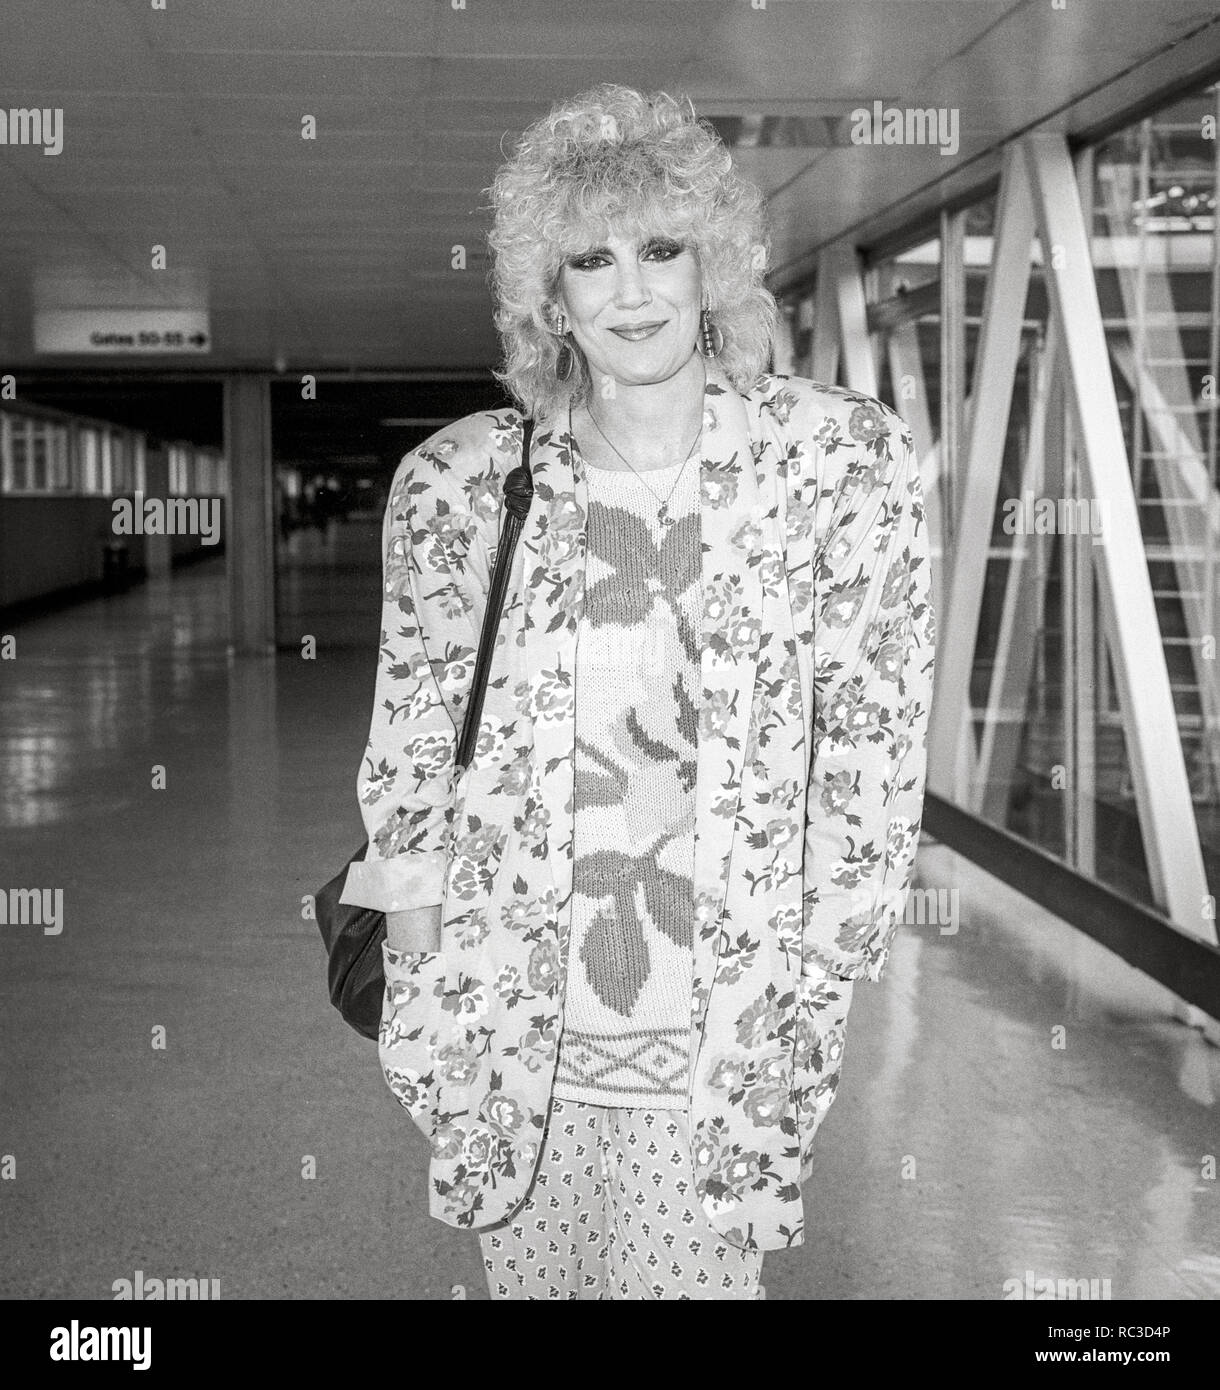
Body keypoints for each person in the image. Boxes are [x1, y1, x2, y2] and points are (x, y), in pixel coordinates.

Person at [339, 83, 935, 1300]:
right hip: (511, 1032)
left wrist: (819, 971)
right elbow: (409, 754)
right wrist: (425, 984)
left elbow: (874, 743)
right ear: (545, 296)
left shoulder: (836, 463)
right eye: (589, 261)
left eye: (660, 249)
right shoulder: (458, 485)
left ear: (712, 263)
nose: (630, 291)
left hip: (728, 1029)